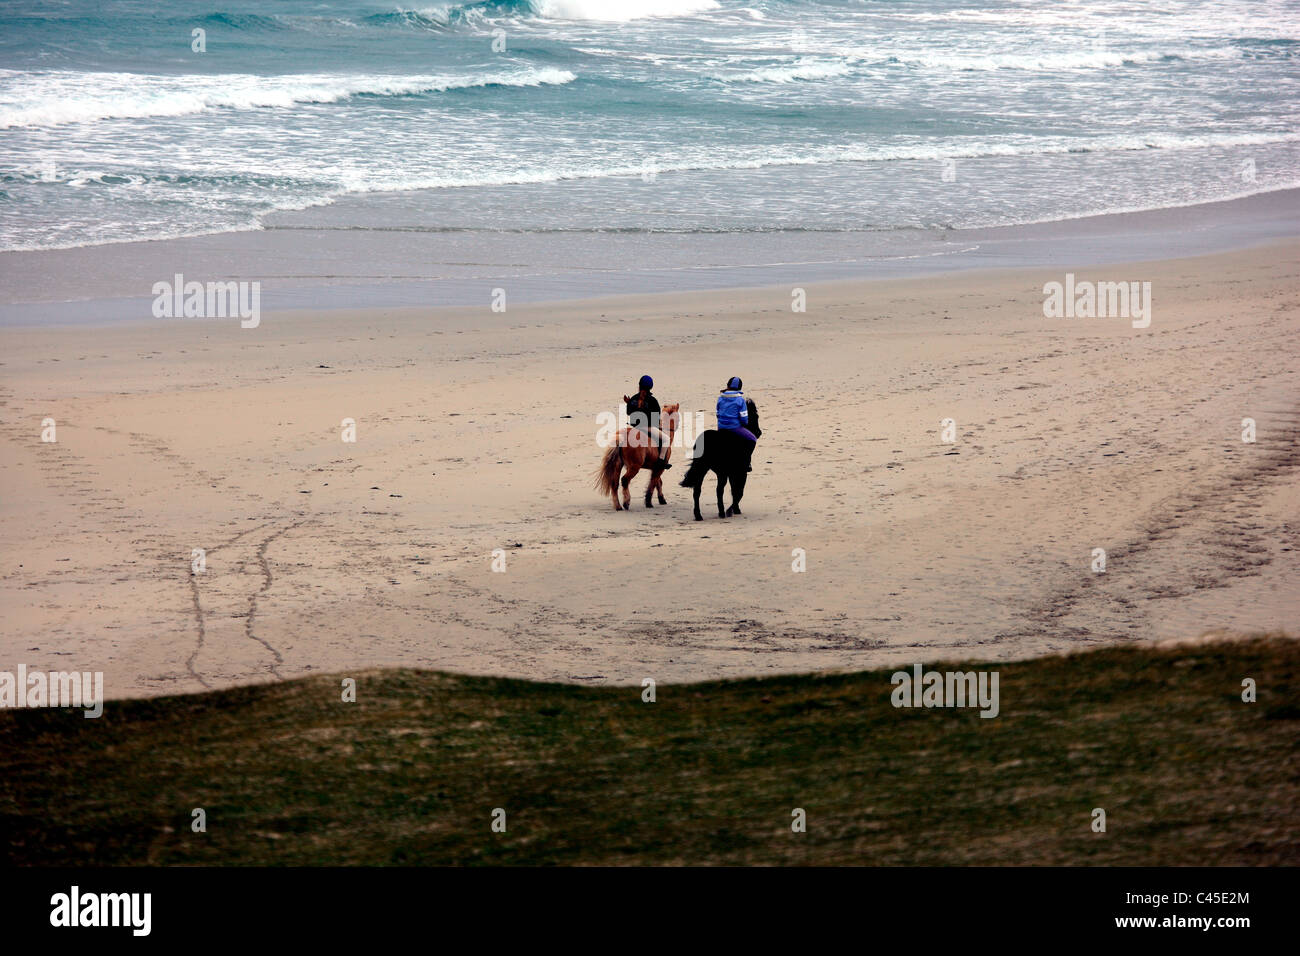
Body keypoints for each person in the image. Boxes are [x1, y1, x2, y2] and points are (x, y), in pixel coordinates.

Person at [626, 374, 670, 468]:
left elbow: (628, 412)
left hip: (634, 427)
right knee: (666, 439)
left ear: (639, 385)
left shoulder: (633, 398)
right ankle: (661, 462)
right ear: (650, 387)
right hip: (647, 428)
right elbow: (654, 420)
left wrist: (629, 404)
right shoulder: (653, 401)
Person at [716, 376, 756, 470]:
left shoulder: (720, 398)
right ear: (740, 388)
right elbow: (744, 418)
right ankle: (746, 462)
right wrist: (743, 424)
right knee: (752, 439)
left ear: (728, 385)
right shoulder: (740, 400)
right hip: (734, 427)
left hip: (721, 427)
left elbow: (717, 413)